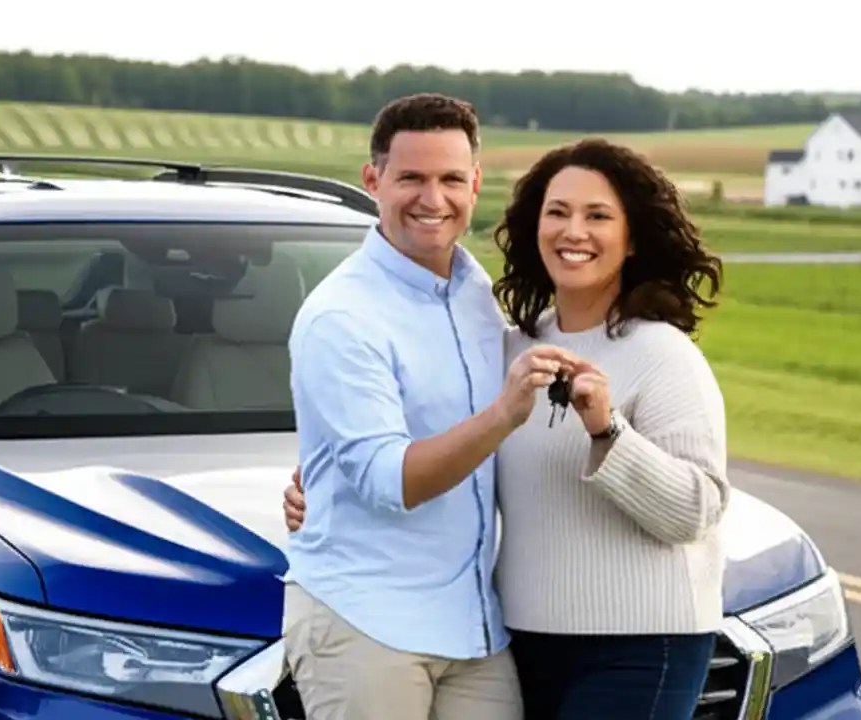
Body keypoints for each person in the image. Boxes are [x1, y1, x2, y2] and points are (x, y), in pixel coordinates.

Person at [286, 136, 731, 719]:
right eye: (558, 213)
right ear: (533, 227)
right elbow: (434, 433)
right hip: (522, 637)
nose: (575, 232)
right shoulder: (513, 345)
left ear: (633, 237)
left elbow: (695, 512)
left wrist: (607, 431)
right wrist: (319, 484)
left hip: (640, 645)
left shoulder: (662, 354)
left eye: (598, 216)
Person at [282, 92, 576, 720]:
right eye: (410, 177)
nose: (431, 198)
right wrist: (503, 413)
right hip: (366, 624)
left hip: (473, 627)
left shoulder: (473, 290)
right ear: (373, 180)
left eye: (449, 178)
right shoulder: (342, 317)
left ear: (474, 184)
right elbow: (392, 479)